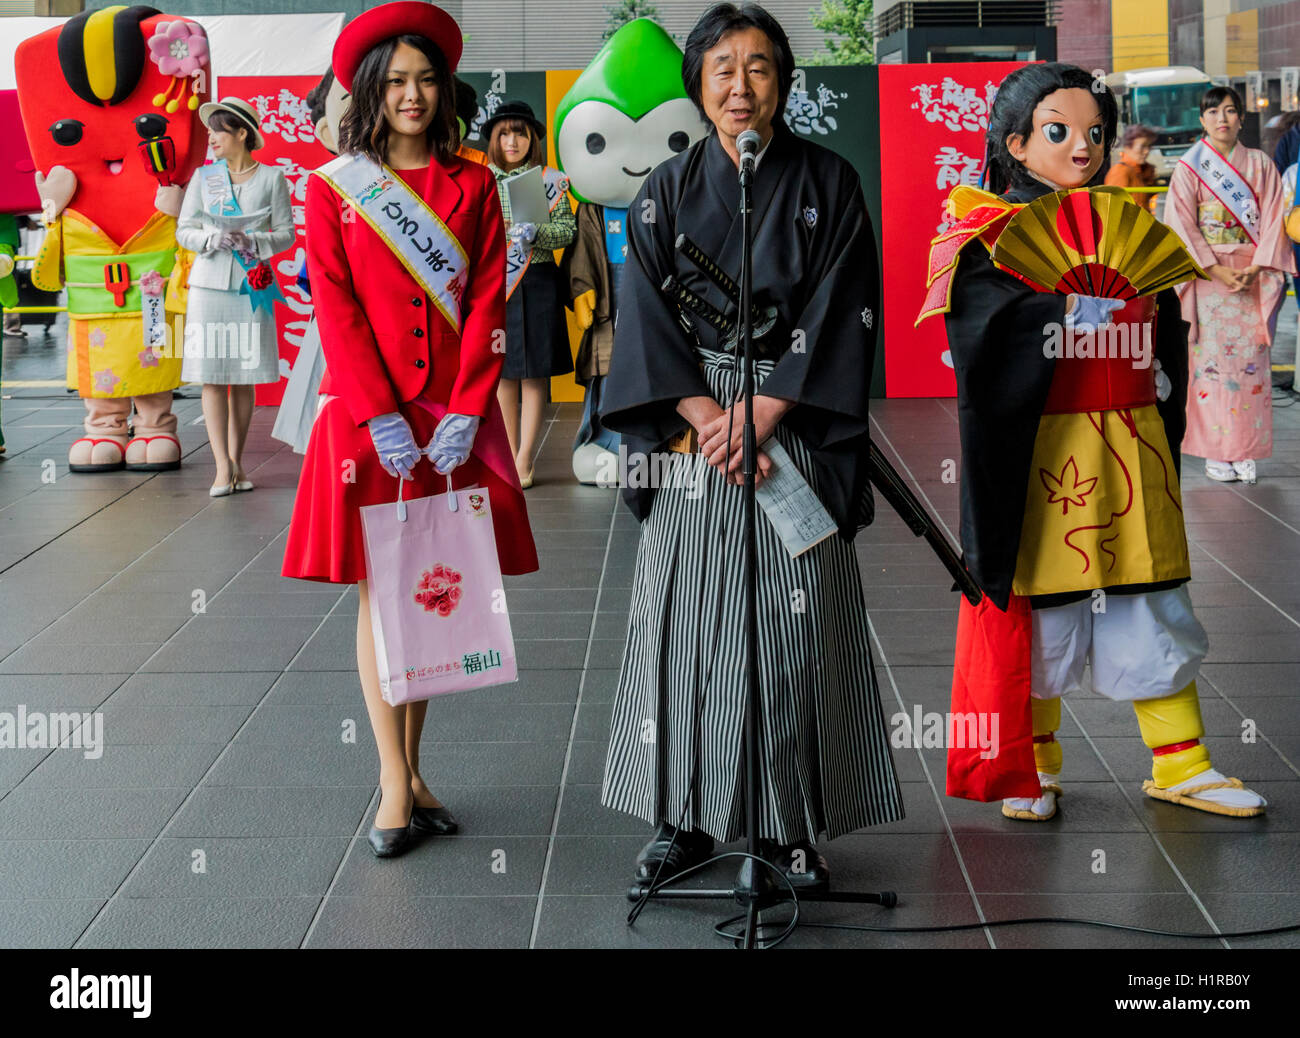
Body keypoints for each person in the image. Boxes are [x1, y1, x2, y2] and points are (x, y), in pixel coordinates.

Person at [598, 2, 904, 890]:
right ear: (699, 84)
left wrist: (765, 409)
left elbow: (844, 309)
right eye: (723, 68)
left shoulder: (830, 183)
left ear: (783, 83)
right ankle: (684, 816)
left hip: (791, 424)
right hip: (697, 433)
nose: (740, 85)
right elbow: (643, 316)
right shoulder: (665, 189)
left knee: (792, 623)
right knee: (684, 622)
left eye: (760, 66)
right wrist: (702, 415)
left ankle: (786, 828)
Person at [918, 62, 1266, 822]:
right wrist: (1061, 319)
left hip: (1130, 435)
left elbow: (1163, 315)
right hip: (1044, 447)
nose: (1084, 147)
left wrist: (1154, 357)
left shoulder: (1123, 217)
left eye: (1094, 132)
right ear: (1014, 142)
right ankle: (1035, 764)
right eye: (1059, 131)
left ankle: (1184, 761)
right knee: (1045, 607)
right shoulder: (985, 228)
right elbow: (983, 337)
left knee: (1151, 595)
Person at [281, 1, 538, 858]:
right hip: (371, 424)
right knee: (379, 595)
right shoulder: (333, 189)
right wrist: (380, 413)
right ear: (369, 90)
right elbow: (336, 305)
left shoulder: (473, 185)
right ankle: (393, 779)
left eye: (426, 79)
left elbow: (487, 302)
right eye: (395, 82)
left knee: (429, 588)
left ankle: (413, 770)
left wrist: (469, 407)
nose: (413, 95)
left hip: (448, 425)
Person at [1164, 86, 1296, 485]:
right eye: (1213, 112)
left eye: (1230, 111)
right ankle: (1215, 452)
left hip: (1252, 275)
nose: (1222, 118)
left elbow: (1275, 217)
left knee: (1251, 367)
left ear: (1241, 118)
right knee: (1211, 368)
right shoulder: (1190, 167)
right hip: (1209, 280)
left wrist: (1257, 268)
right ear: (1202, 120)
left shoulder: (1259, 164)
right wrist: (1215, 270)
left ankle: (1246, 449)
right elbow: (1181, 224)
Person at [176, 98, 294, 496]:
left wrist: (252, 239)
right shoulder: (204, 178)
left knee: (243, 378)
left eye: (218, 131)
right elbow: (184, 230)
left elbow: (286, 234)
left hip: (251, 284)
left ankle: (238, 462)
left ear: (242, 133)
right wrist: (213, 237)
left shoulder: (272, 179)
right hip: (209, 285)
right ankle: (222, 467)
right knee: (211, 377)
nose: (211, 139)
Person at [484, 100, 576, 488]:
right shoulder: (480, 179)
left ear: (532, 139)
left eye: (519, 133)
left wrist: (537, 233)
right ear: (492, 138)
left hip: (537, 281)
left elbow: (568, 231)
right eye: (504, 133)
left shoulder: (548, 181)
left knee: (534, 373)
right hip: (496, 286)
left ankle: (525, 458)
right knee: (504, 373)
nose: (512, 140)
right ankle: (507, 452)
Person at [1103, 123, 1158, 213]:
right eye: (1143, 146)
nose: (1147, 151)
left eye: (1149, 146)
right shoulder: (1120, 172)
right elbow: (1114, 210)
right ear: (1127, 147)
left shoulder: (1140, 170)